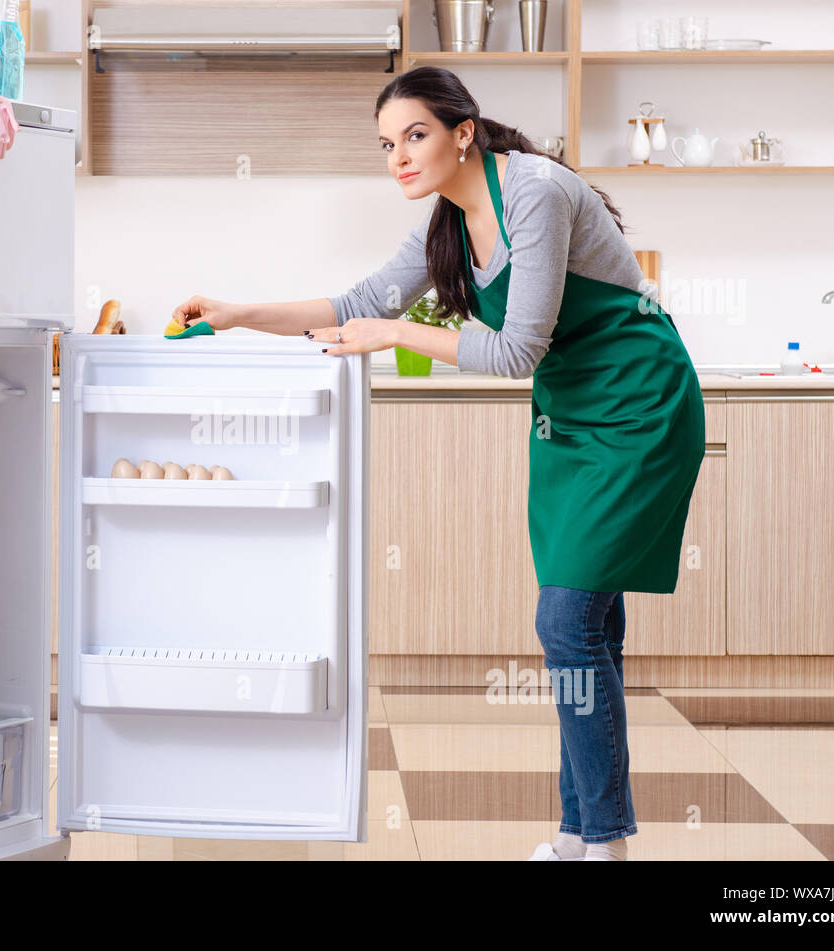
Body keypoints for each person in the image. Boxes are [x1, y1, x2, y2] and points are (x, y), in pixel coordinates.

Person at [170, 66, 705, 861]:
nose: (399, 157)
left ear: (463, 131)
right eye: (386, 144)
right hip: (570, 417)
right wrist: (237, 314)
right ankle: (578, 833)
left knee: (566, 623)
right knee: (588, 628)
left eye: (414, 135)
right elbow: (358, 304)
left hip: (638, 404)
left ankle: (605, 841)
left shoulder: (535, 192)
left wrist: (398, 334)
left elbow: (517, 348)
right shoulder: (447, 225)